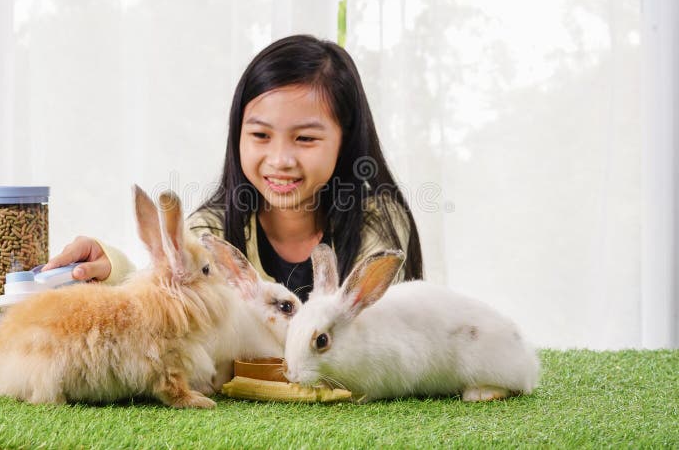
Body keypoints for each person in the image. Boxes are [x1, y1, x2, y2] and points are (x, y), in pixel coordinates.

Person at [43, 34, 423, 301]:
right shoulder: (210, 232)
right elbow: (172, 301)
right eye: (260, 135)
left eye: (305, 138)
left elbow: (364, 340)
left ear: (346, 139)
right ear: (237, 135)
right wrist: (114, 270)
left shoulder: (378, 223)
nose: (280, 159)